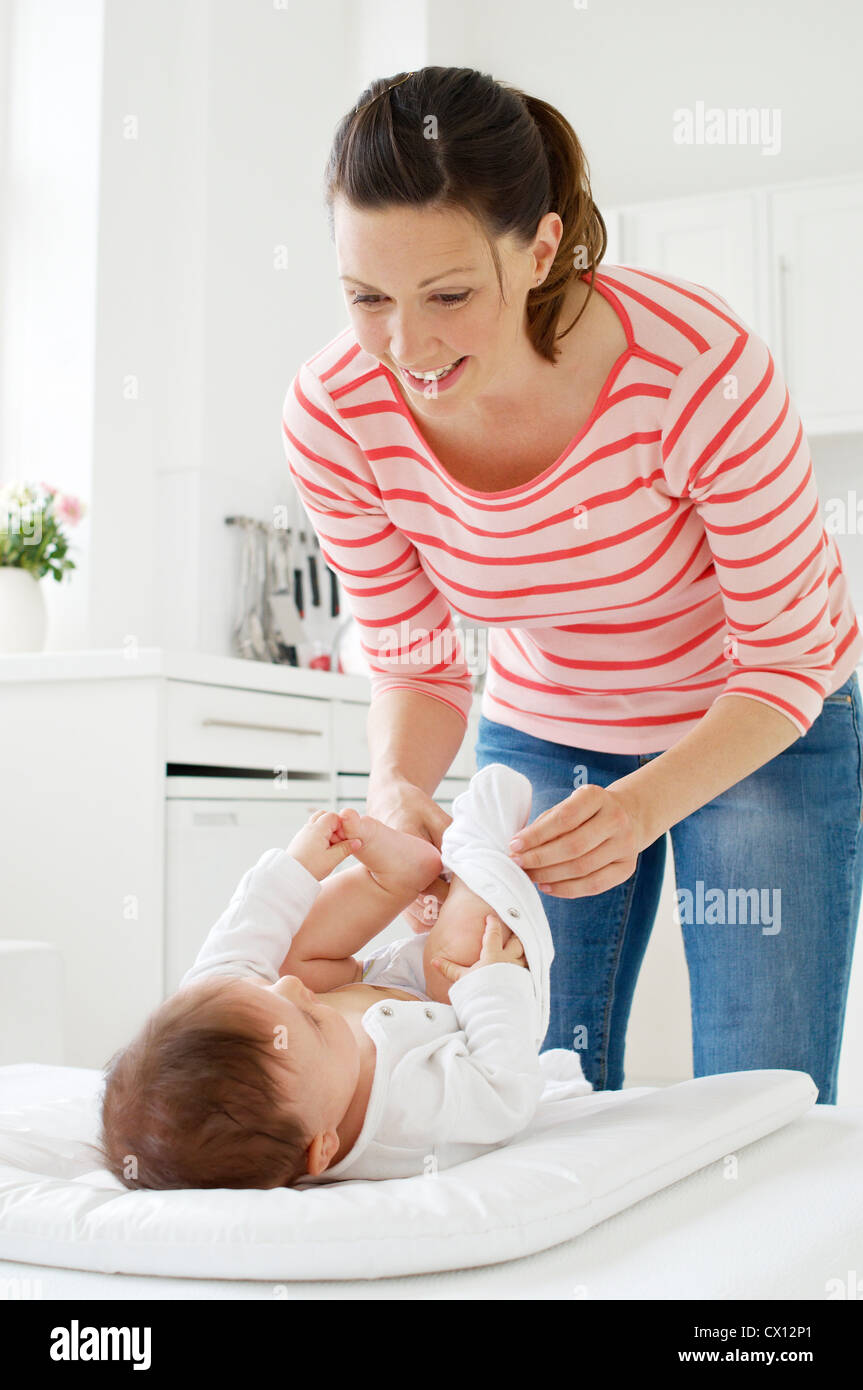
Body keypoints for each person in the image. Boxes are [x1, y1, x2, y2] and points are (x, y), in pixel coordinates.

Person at [280, 66, 863, 1104]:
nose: (405, 348)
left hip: (761, 722)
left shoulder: (699, 372)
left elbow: (785, 658)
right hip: (547, 723)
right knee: (531, 1076)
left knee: (757, 1095)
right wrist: (395, 791)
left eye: (450, 294)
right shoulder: (334, 418)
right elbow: (413, 659)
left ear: (539, 248)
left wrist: (639, 808)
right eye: (367, 298)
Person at [97, 765, 581, 1189]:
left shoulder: (252, 1036)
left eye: (272, 997)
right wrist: (494, 984)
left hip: (364, 978)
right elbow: (504, 1092)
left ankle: (393, 879)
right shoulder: (406, 1116)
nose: (290, 989)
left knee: (283, 955)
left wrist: (298, 867)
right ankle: (483, 848)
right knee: (465, 945)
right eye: (310, 1021)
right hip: (461, 1000)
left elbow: (239, 942)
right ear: (322, 1148)